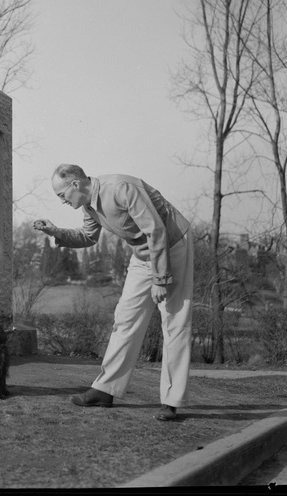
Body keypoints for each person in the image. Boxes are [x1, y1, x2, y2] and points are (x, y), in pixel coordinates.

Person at [33, 163, 193, 421]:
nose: (62, 201)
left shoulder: (121, 188)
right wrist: (55, 231)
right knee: (125, 318)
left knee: (174, 321)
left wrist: (160, 279)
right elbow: (88, 237)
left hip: (172, 245)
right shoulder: (89, 206)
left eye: (62, 195)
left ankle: (171, 401)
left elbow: (156, 230)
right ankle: (105, 390)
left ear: (75, 184)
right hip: (143, 253)